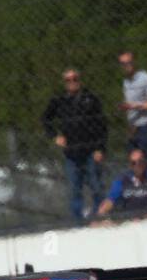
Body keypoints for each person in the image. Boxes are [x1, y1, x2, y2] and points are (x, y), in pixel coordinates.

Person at [43, 68, 108, 223]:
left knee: (96, 187)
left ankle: (100, 216)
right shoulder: (59, 101)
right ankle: (78, 221)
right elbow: (46, 119)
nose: (72, 82)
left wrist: (100, 148)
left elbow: (102, 125)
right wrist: (55, 136)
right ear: (64, 83)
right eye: (68, 80)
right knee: (74, 190)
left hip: (91, 150)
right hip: (71, 153)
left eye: (75, 79)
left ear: (80, 79)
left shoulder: (90, 98)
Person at [96, 148, 147, 220]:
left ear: (145, 162)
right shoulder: (122, 181)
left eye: (140, 162)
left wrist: (145, 218)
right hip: (128, 221)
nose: (137, 165)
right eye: (133, 163)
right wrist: (101, 215)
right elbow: (109, 201)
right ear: (130, 165)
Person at [117, 51, 147, 159]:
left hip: (146, 126)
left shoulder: (145, 78)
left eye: (129, 62)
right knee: (134, 162)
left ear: (134, 62)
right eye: (123, 63)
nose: (126, 66)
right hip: (133, 128)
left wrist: (135, 106)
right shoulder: (125, 82)